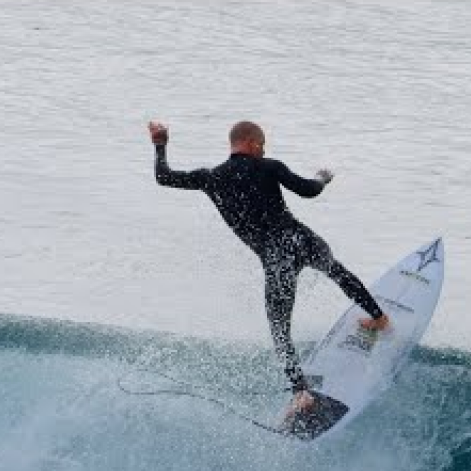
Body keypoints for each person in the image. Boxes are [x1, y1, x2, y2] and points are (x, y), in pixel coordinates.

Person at [147, 120, 390, 416]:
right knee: (337, 272)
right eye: (262, 145)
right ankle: (378, 317)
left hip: (277, 260)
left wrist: (160, 144)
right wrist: (323, 178)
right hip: (302, 240)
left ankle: (301, 393)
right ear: (251, 142)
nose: (264, 150)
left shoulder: (210, 178)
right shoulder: (270, 166)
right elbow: (309, 190)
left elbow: (163, 177)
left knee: (279, 330)